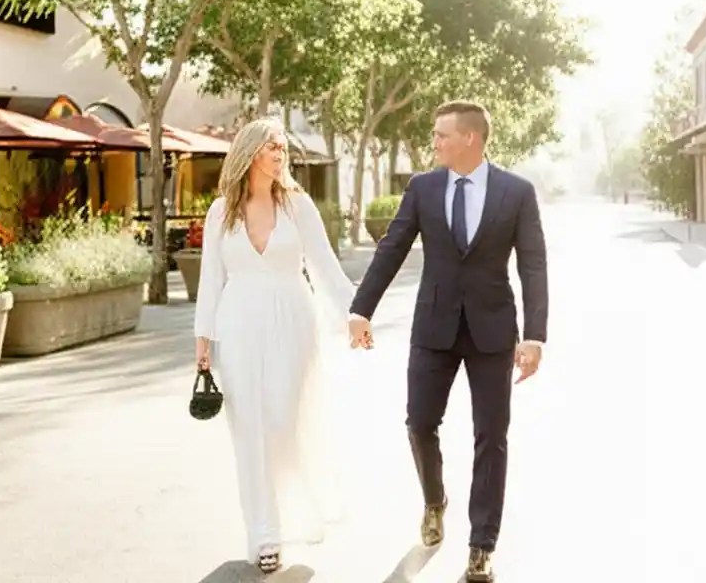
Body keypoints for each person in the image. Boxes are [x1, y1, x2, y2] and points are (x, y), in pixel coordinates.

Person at [348, 100, 548, 583]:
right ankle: (435, 500)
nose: (433, 142)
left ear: (470, 139)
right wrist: (361, 308)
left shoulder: (516, 191)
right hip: (434, 327)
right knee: (419, 423)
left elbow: (533, 264)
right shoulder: (423, 187)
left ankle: (482, 546)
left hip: (493, 331)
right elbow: (393, 246)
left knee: (491, 437)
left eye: (441, 135)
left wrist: (536, 336)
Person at [193, 118, 356, 574]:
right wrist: (203, 342)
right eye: (272, 146)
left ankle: (297, 508)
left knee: (283, 419)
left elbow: (325, 266)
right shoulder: (220, 211)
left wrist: (355, 316)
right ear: (249, 153)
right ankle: (264, 531)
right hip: (238, 323)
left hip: (293, 319)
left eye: (283, 146)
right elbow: (210, 280)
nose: (280, 152)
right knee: (249, 429)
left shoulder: (297, 205)